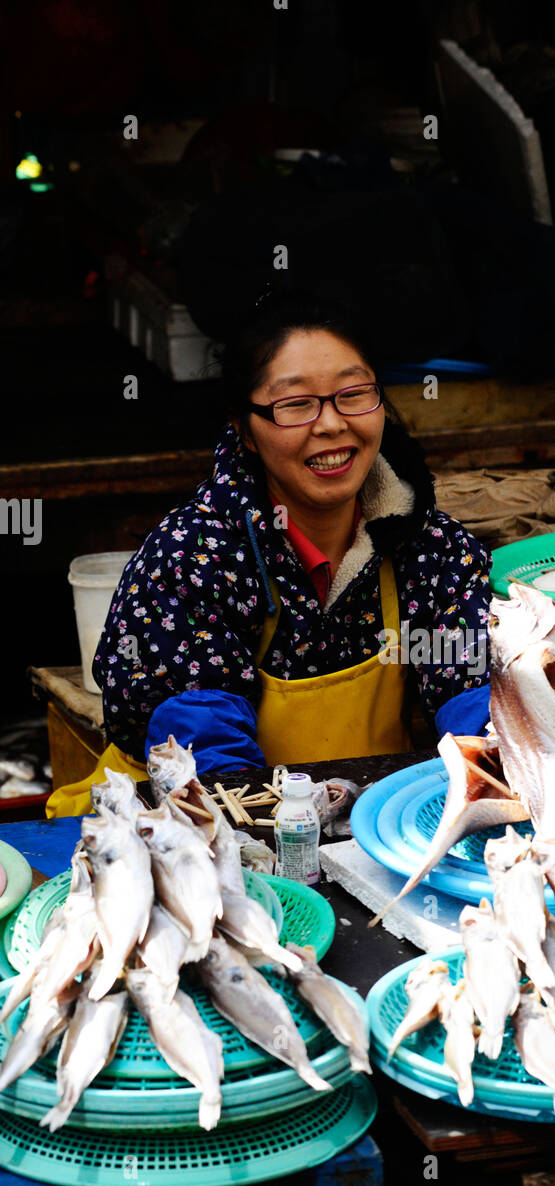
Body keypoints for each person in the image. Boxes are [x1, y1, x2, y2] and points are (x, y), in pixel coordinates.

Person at [47, 291, 491, 817]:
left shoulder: (429, 549)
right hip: (189, 830)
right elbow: (207, 763)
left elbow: (476, 695)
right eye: (295, 404)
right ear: (244, 430)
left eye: (353, 394)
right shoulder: (192, 557)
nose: (330, 425)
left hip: (363, 821)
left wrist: (496, 766)